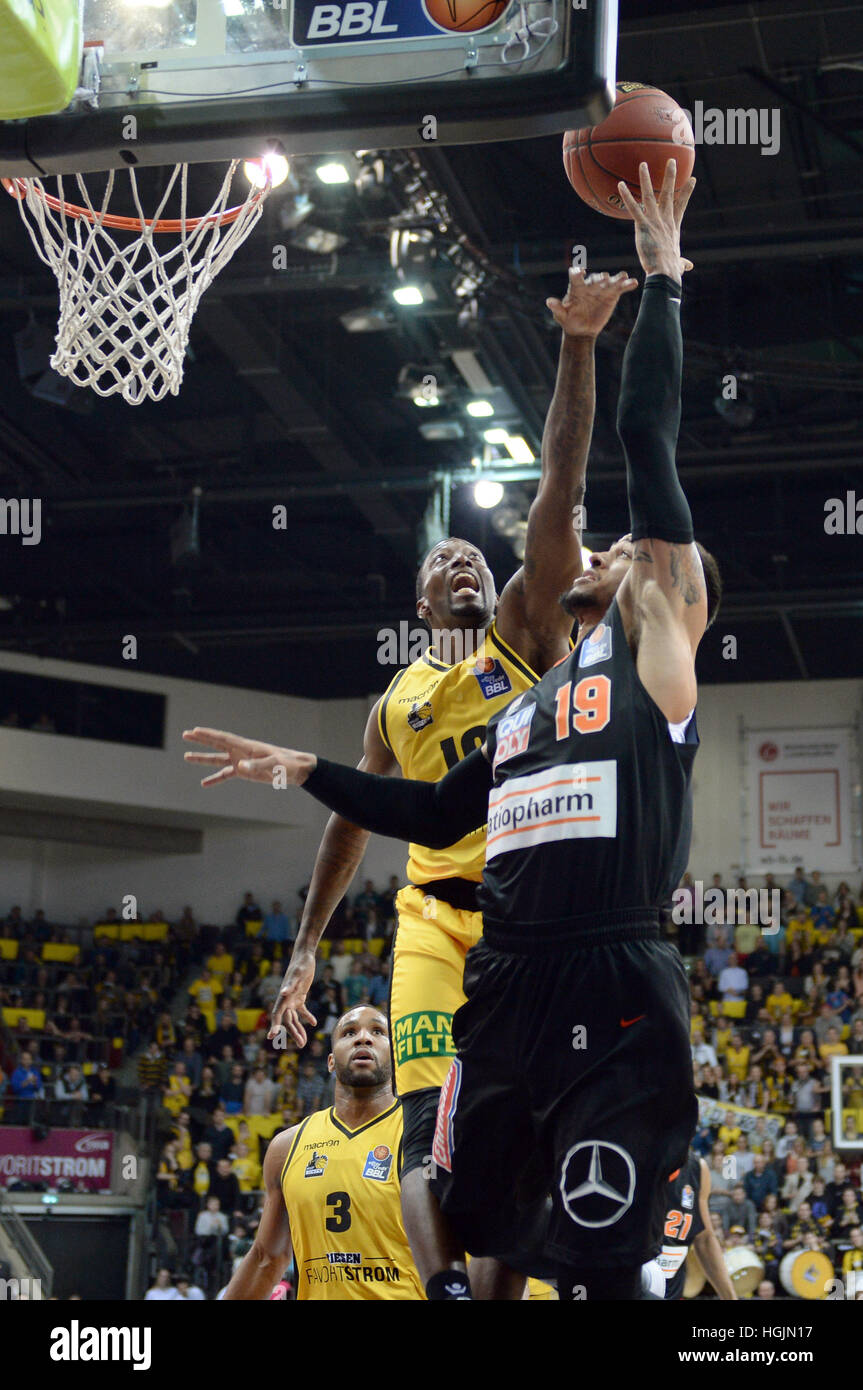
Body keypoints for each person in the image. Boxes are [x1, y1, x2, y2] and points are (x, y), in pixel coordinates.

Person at [185, 161, 719, 1300]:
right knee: (492, 1223)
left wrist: (661, 284)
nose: (608, 550)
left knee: (602, 1246)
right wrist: (307, 766)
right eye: (607, 550)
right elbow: (427, 809)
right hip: (503, 972)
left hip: (607, 958)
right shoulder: (524, 706)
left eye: (624, 551)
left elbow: (638, 447)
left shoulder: (653, 654)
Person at [222, 1007, 425, 1300]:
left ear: (396, 1058)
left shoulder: (423, 1134)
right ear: (330, 1061)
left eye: (378, 1032)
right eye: (349, 1032)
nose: (363, 1039)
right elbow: (268, 1258)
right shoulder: (287, 1147)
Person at [640, 1152, 737, 1300]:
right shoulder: (635, 1160)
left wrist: (730, 1297)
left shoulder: (697, 1168)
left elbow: (704, 1239)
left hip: (673, 1291)